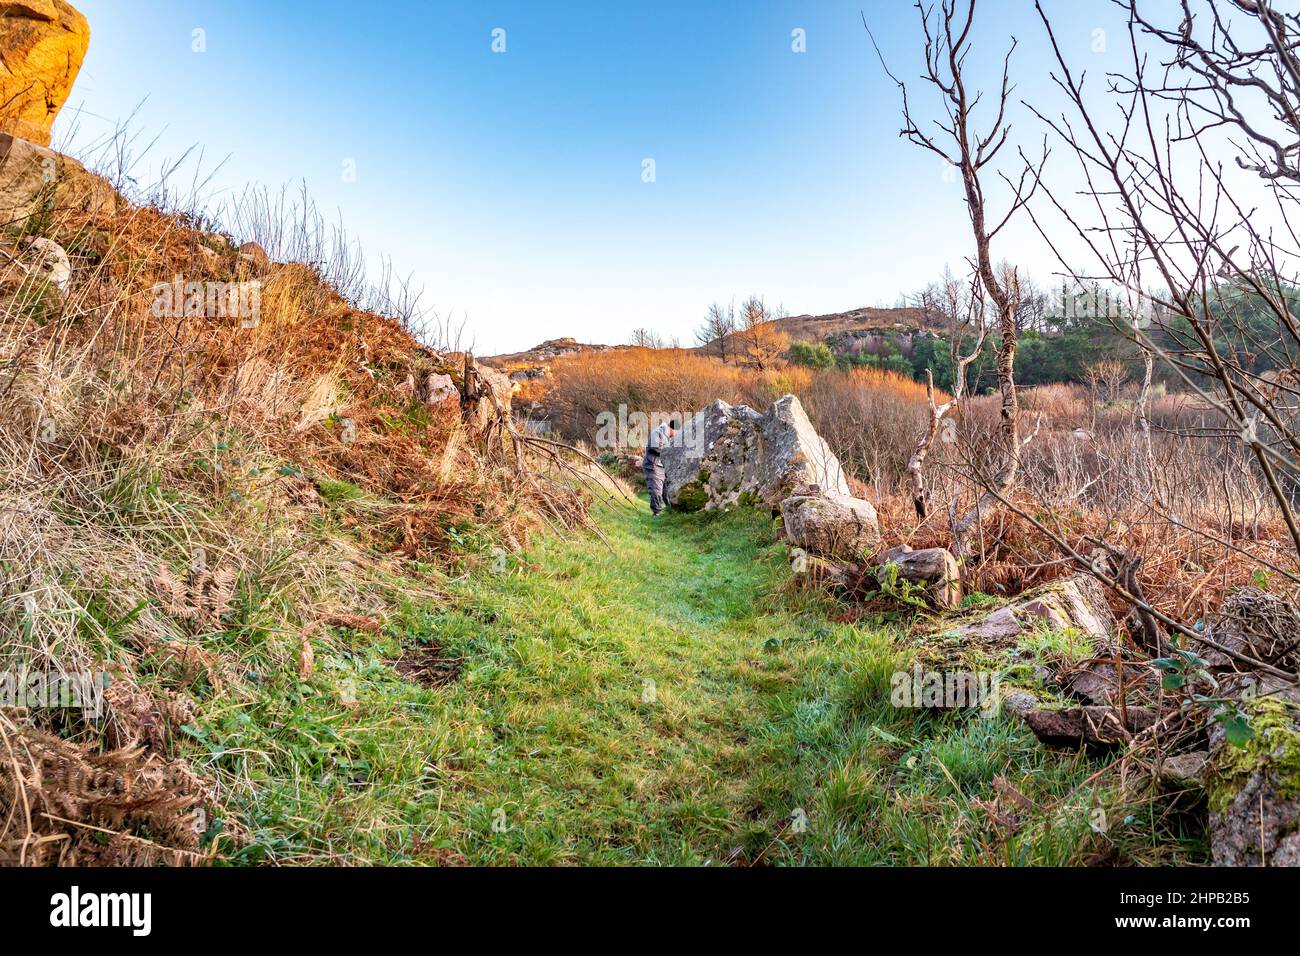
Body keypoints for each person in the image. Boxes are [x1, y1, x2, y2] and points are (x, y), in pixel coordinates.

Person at [643, 419, 678, 517]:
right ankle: (657, 513)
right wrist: (669, 452)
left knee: (666, 490)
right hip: (653, 465)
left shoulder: (668, 437)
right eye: (676, 432)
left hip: (662, 467)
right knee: (656, 490)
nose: (676, 434)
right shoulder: (657, 432)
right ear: (672, 429)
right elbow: (654, 447)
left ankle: (670, 511)